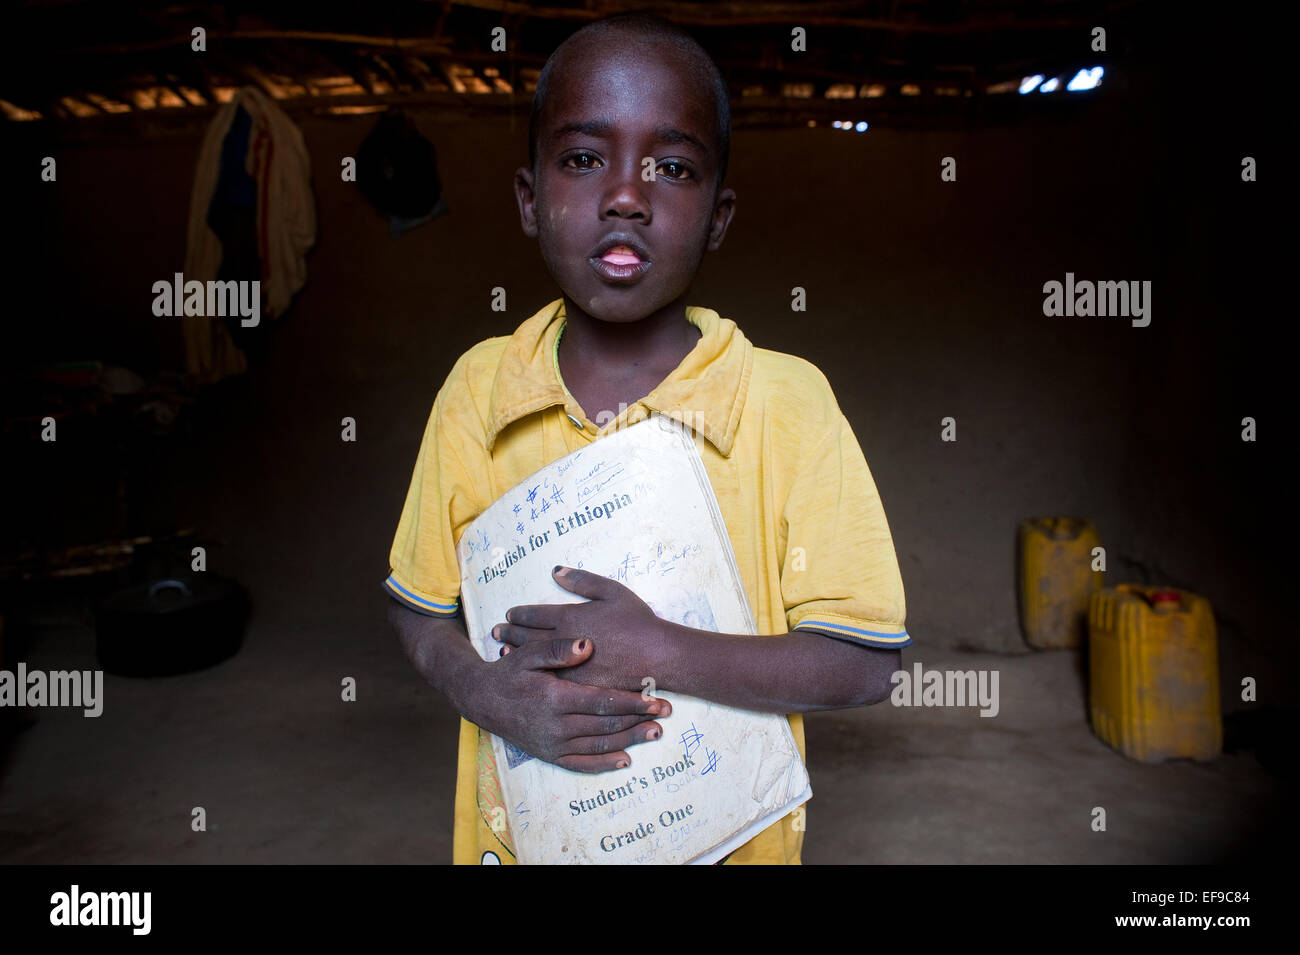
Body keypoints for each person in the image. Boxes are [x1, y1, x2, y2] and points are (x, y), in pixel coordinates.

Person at [385, 11, 910, 865]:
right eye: (585, 158)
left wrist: (659, 651)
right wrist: (487, 691)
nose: (626, 194)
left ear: (718, 216)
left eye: (672, 167)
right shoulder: (478, 391)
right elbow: (417, 610)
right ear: (529, 199)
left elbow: (863, 663)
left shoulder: (787, 403)